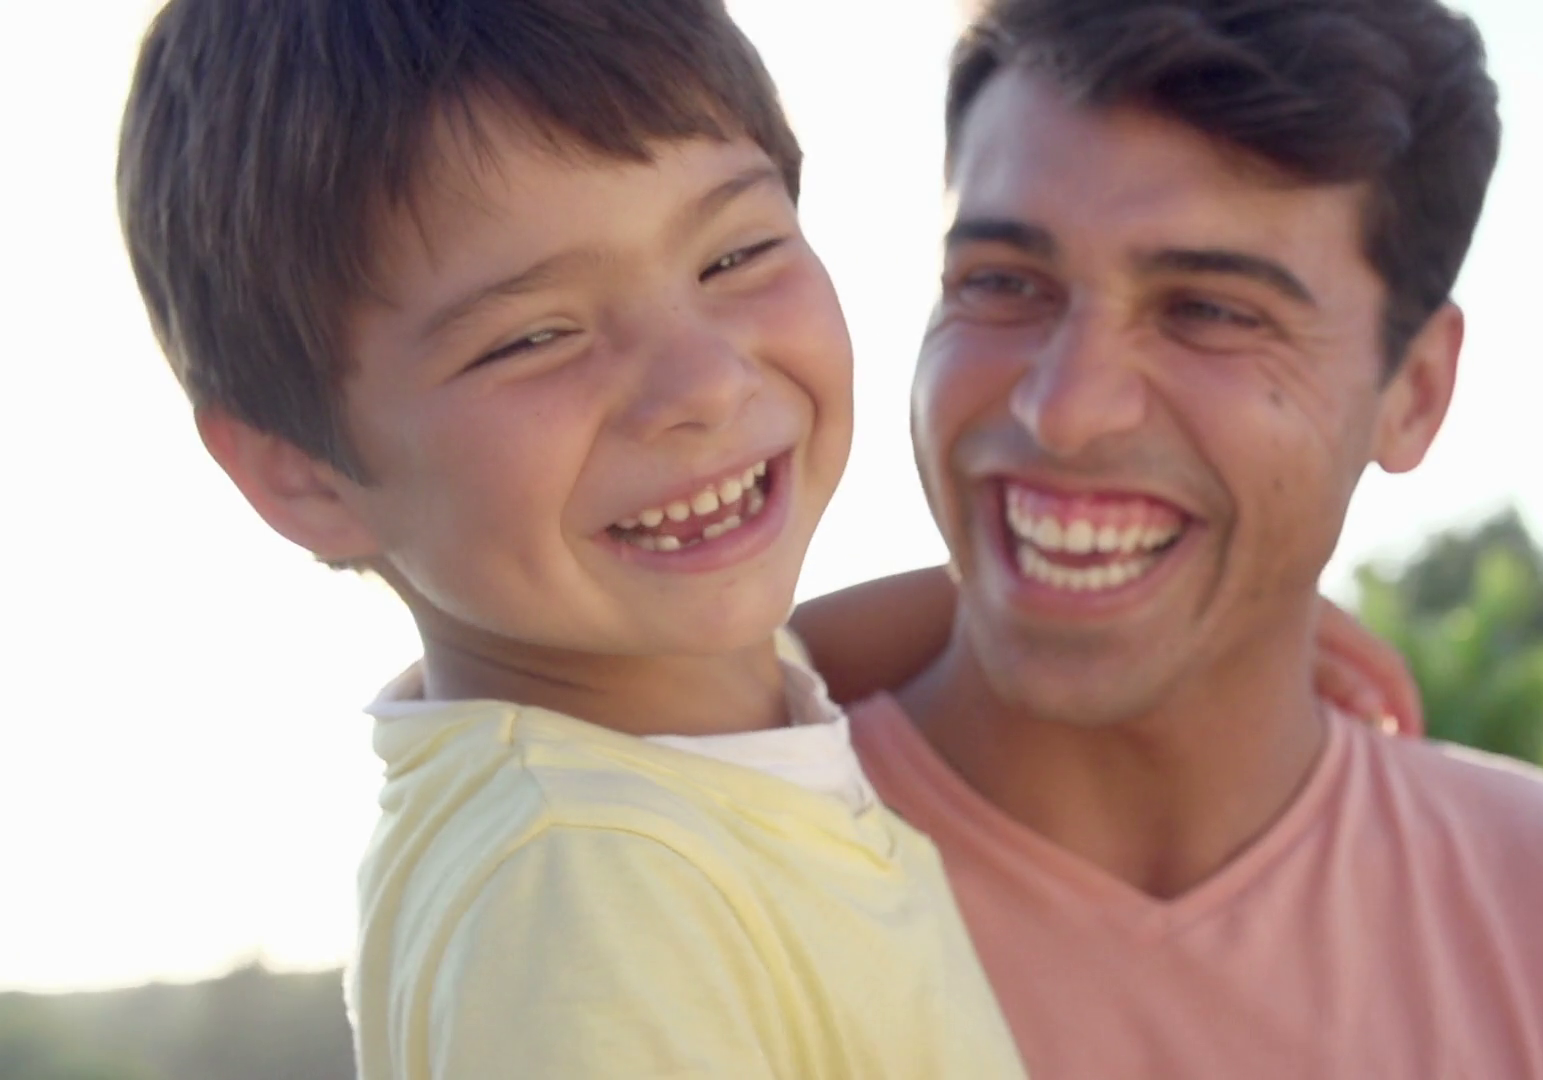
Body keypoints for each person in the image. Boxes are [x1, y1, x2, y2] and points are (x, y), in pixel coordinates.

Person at [797, 0, 1543, 1076]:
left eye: (1211, 311)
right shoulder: (707, 861)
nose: (1067, 409)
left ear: (1415, 392)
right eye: (1002, 282)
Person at [114, 1, 1027, 1076]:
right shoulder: (587, 891)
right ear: (303, 476)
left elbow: (946, 624)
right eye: (535, 337)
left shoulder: (664, 725)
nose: (703, 383)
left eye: (735, 255)